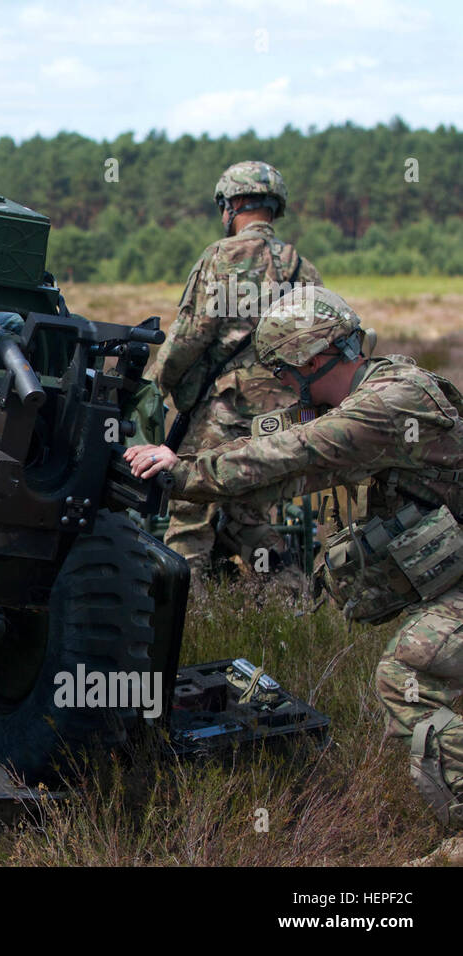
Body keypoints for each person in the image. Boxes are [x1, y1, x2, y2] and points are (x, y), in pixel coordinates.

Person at [126, 286, 463, 840]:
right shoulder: (375, 389)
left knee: (412, 669)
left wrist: (182, 473)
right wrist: (182, 458)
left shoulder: (389, 405)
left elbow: (298, 450)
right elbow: (283, 435)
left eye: (283, 373)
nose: (283, 386)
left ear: (310, 361)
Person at [148, 161, 323, 583]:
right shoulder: (302, 268)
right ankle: (293, 600)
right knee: (246, 513)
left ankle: (188, 619)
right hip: (286, 417)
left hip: (227, 409)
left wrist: (157, 385)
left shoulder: (220, 257)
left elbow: (189, 336)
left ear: (233, 205)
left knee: (191, 509)